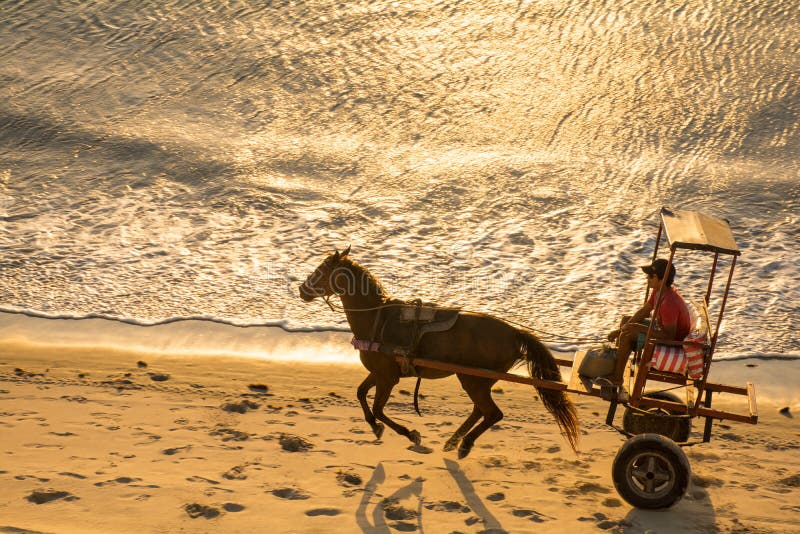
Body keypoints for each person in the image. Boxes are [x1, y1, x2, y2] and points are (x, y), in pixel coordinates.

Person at [607, 258, 692, 385]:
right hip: (661, 328)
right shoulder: (658, 291)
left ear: (662, 280)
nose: (647, 278)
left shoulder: (668, 303)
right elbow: (644, 311)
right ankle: (617, 364)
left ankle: (617, 378)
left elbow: (669, 336)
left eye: (651, 276)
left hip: (672, 342)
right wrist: (620, 329)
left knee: (628, 335)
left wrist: (640, 329)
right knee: (626, 321)